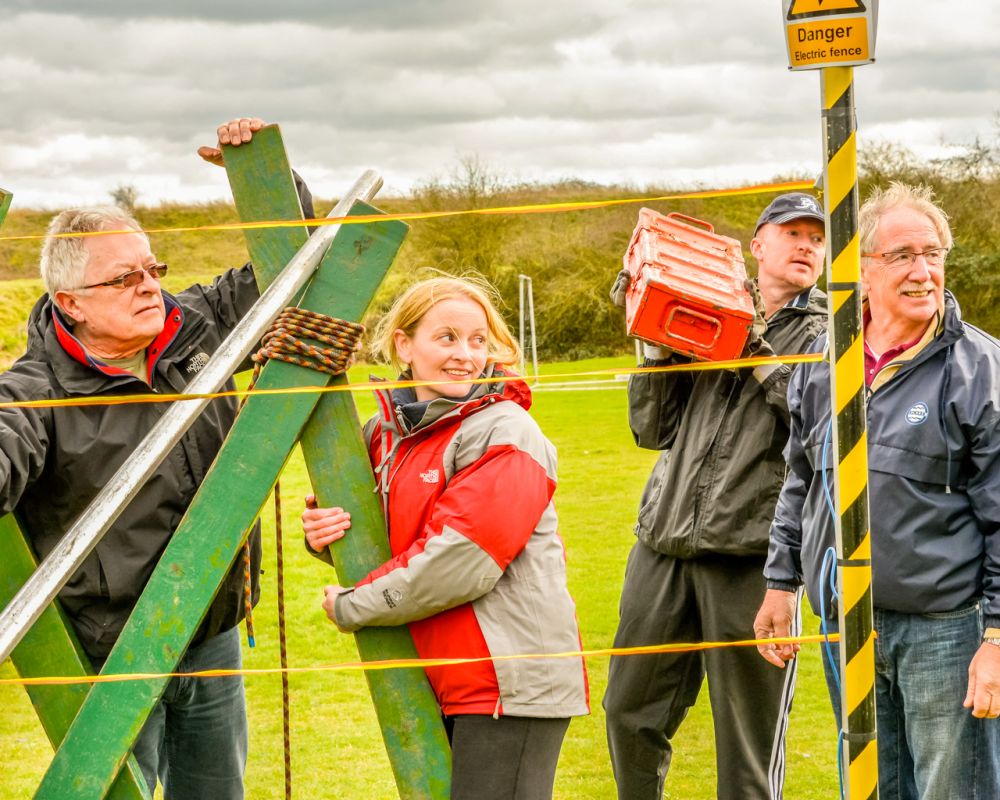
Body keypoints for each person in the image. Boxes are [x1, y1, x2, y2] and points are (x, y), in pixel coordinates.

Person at [0, 118, 309, 799]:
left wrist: (266, 181)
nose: (149, 286)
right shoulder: (32, 392)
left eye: (152, 269)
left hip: (210, 631)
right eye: (124, 278)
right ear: (70, 303)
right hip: (112, 650)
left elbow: (293, 267)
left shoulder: (196, 327)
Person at [755, 182, 1000, 799]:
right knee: (869, 789)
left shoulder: (981, 369)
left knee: (953, 790)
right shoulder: (826, 361)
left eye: (933, 254)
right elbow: (801, 476)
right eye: (902, 256)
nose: (923, 271)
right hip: (849, 621)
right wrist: (781, 581)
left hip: (947, 631)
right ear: (860, 269)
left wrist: (997, 639)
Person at [301, 276, 590, 800]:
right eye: (447, 338)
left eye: (478, 340)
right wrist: (326, 536)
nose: (466, 355)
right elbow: (388, 543)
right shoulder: (383, 434)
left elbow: (460, 560)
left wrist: (353, 604)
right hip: (438, 675)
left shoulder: (507, 432)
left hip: (507, 683)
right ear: (404, 346)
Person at [603, 193, 828, 800]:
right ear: (758, 245)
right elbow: (652, 429)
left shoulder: (830, 331)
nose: (806, 245)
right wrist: (655, 338)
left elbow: (820, 424)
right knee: (628, 714)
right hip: (663, 546)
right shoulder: (709, 309)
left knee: (746, 743)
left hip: (754, 560)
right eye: (792, 233)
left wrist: (754, 351)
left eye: (816, 238)